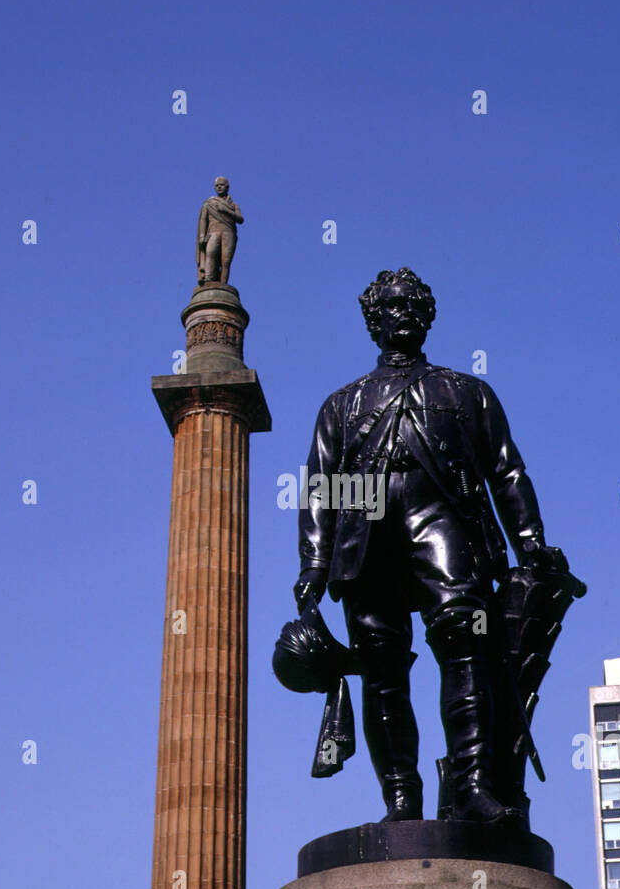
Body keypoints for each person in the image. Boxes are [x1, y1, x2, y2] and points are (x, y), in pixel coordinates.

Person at [294, 267, 571, 825]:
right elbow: (322, 488)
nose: (403, 314)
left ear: (428, 316)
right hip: (366, 522)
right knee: (380, 665)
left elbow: (506, 471)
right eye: (391, 307)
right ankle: (401, 799)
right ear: (373, 322)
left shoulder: (466, 390)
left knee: (463, 640)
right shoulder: (342, 405)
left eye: (413, 305)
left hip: (442, 518)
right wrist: (315, 562)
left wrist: (530, 541)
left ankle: (470, 786)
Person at [196, 177, 243, 285]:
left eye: (221, 185)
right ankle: (209, 281)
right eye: (217, 186)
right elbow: (203, 219)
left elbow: (240, 219)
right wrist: (202, 236)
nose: (219, 187)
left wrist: (225, 210)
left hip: (228, 232)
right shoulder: (209, 203)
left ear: (227, 187)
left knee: (225, 261)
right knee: (211, 254)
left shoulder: (233, 205)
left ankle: (223, 283)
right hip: (213, 232)